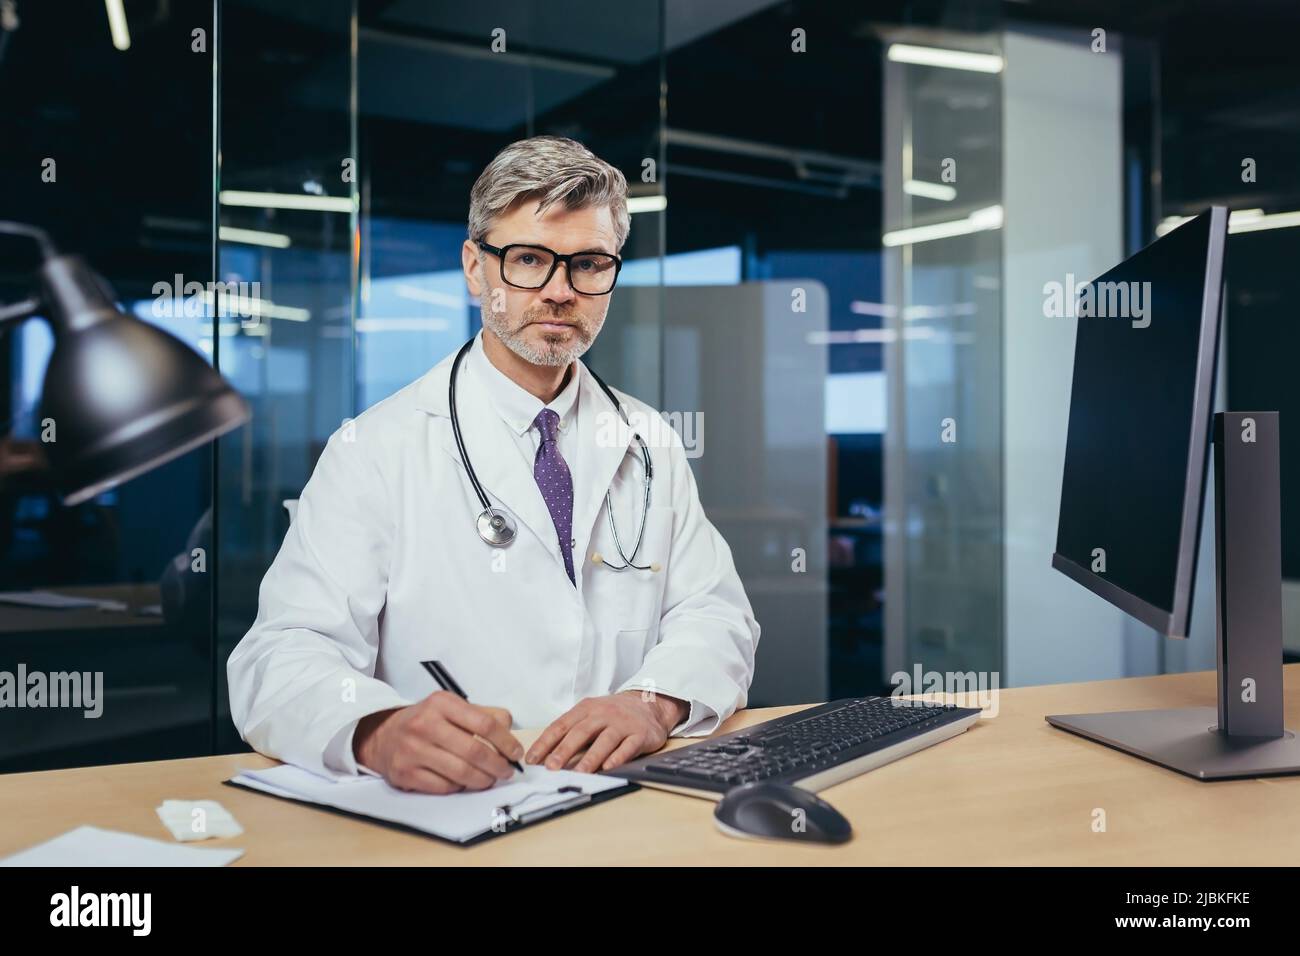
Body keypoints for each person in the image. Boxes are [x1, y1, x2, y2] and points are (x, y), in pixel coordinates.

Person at [227, 136, 760, 794]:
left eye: (589, 264)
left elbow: (715, 615)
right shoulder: (376, 448)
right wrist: (375, 730)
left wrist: (651, 700)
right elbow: (280, 655)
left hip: (624, 800)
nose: (561, 292)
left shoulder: (648, 438)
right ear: (475, 268)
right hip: (461, 807)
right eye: (529, 260)